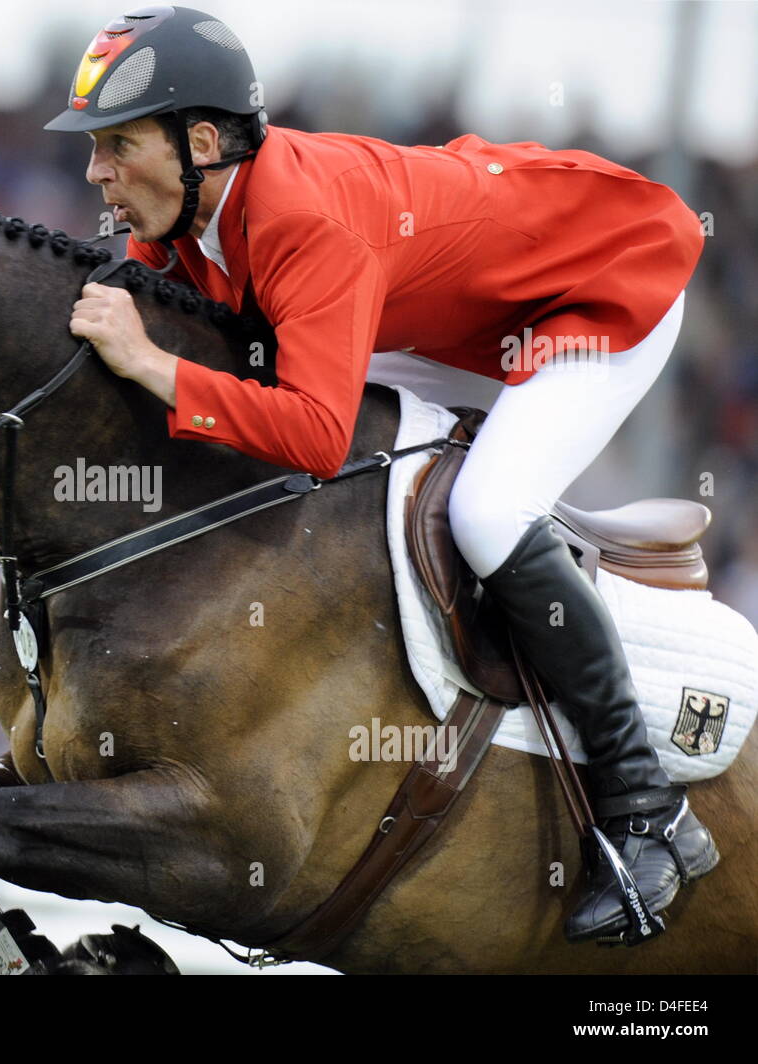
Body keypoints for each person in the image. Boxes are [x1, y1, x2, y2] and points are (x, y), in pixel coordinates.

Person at [44, 5, 718, 945]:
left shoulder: (300, 220)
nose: (95, 172)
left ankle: (646, 810)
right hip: (460, 311)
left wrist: (158, 369)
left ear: (201, 142)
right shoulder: (189, 215)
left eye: (117, 145)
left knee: (485, 512)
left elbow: (316, 436)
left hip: (604, 284)